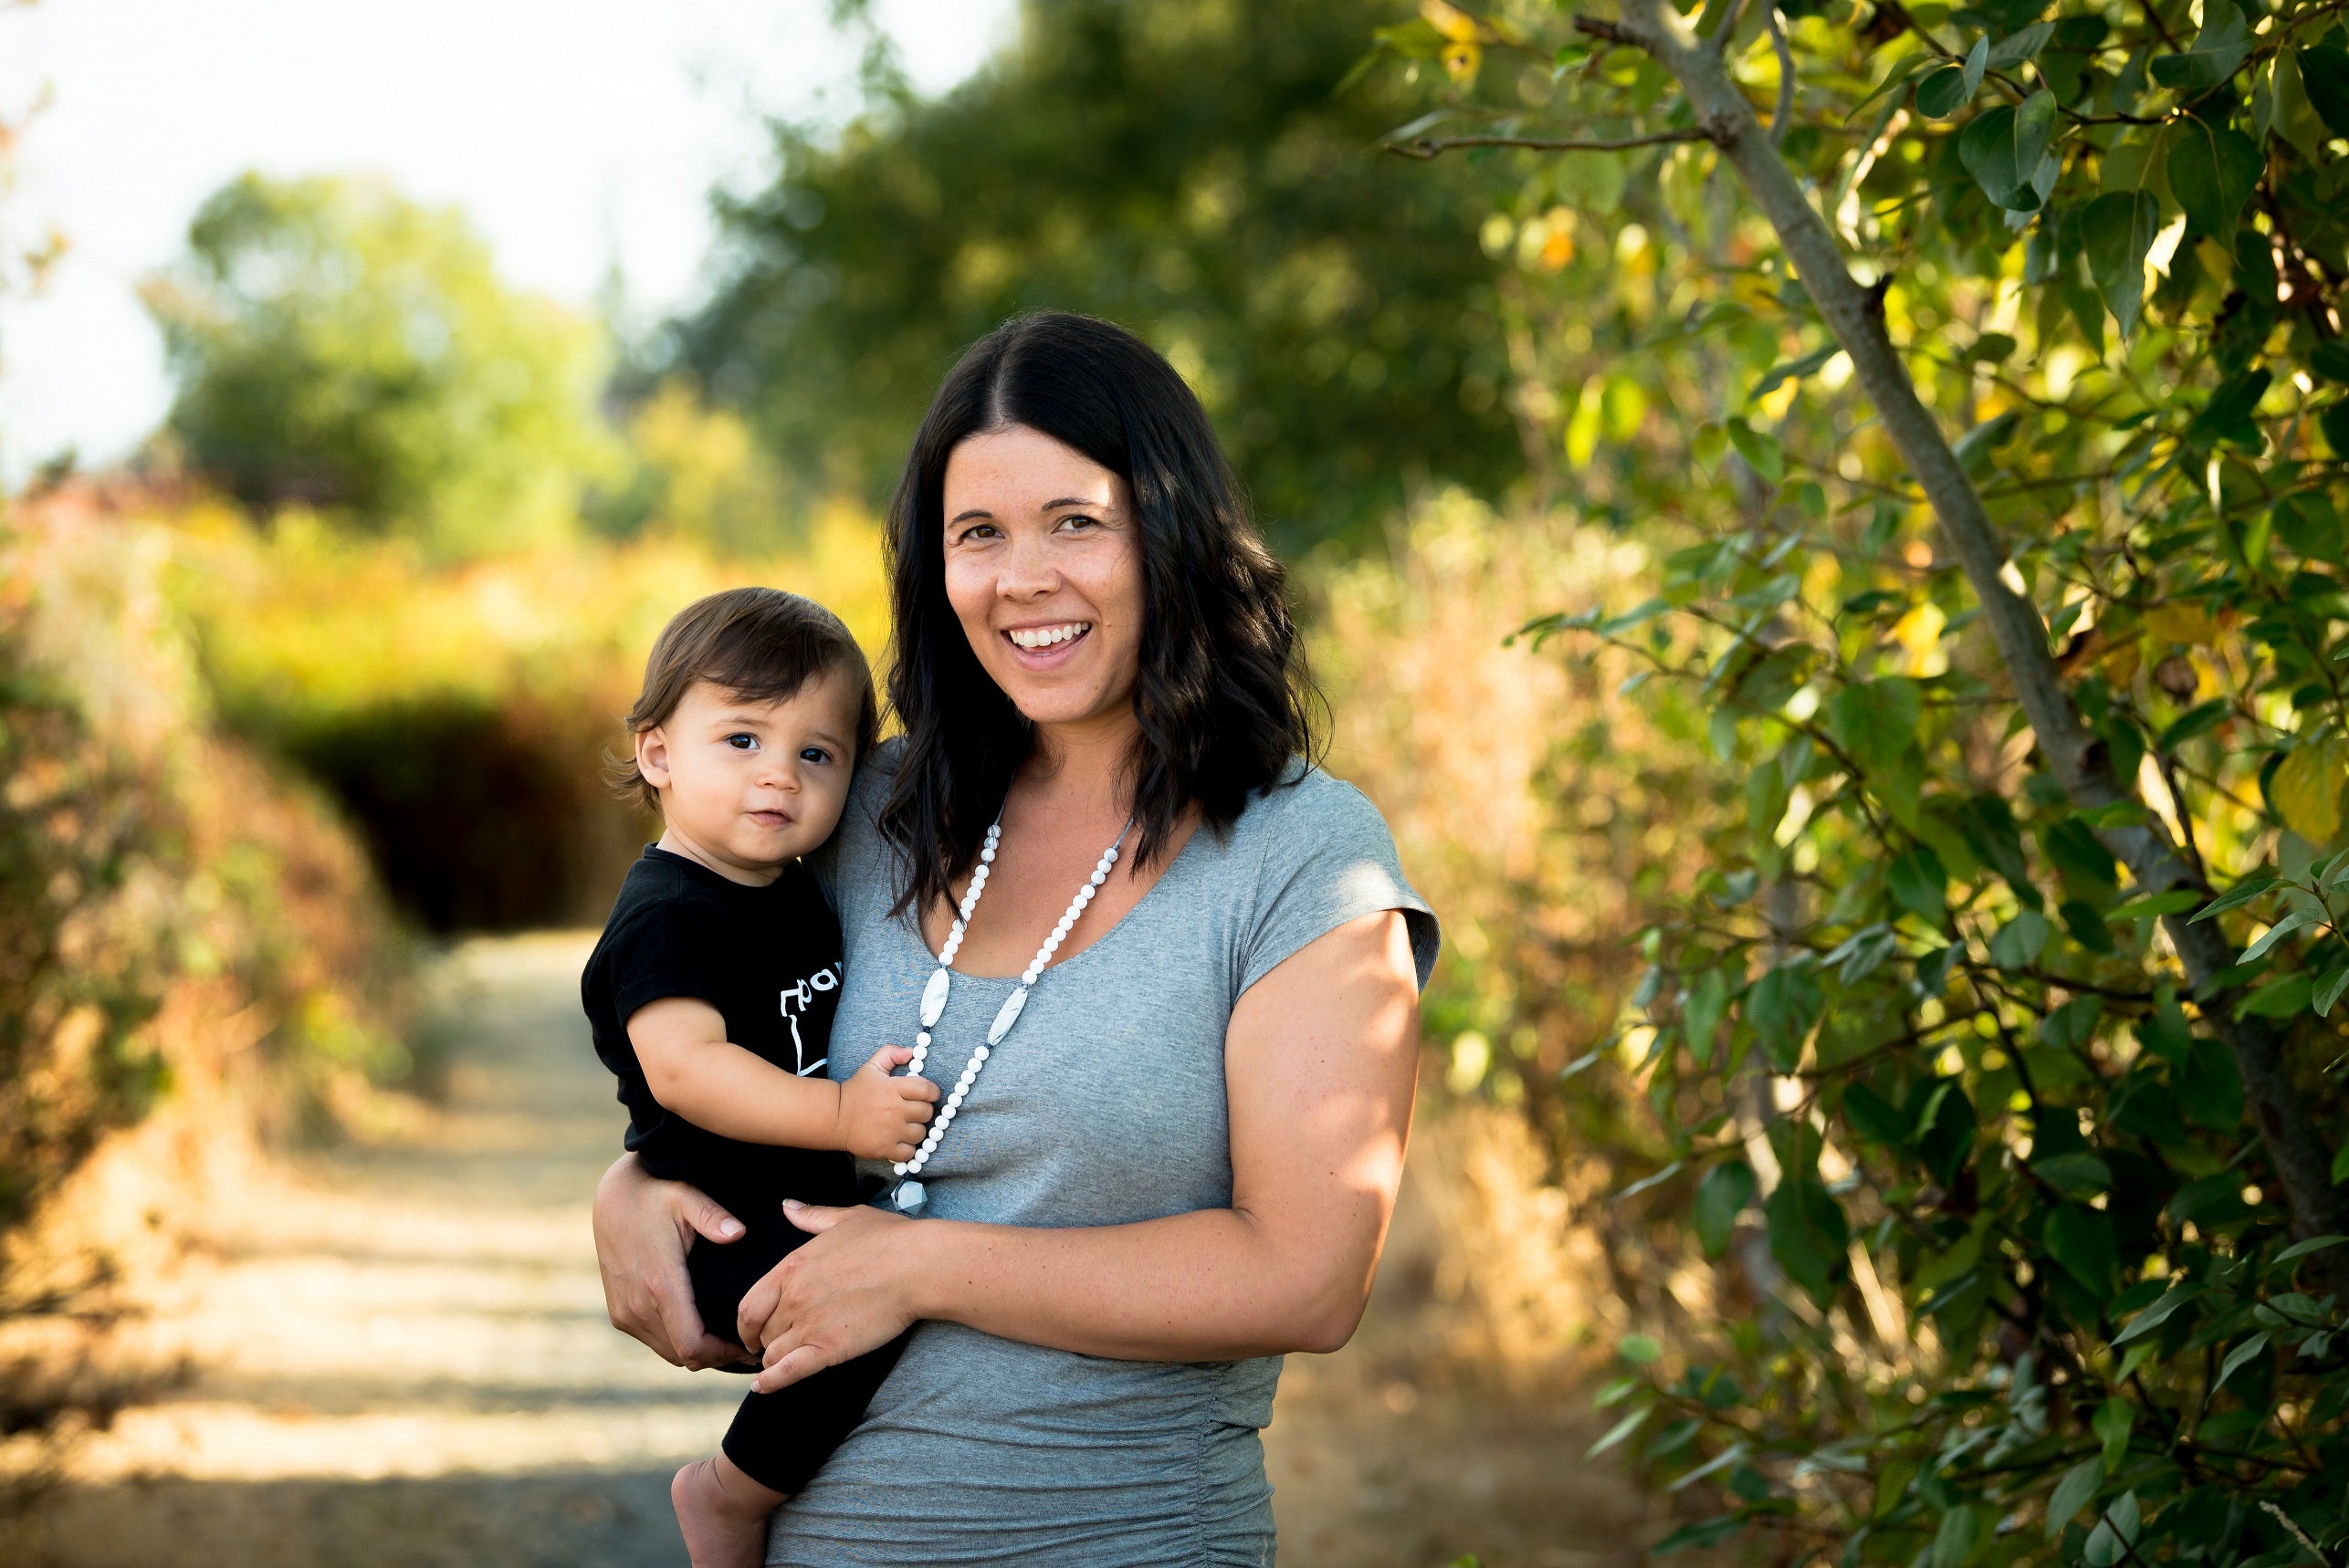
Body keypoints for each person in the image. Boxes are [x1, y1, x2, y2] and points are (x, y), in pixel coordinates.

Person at [592, 311, 1439, 1565]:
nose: (1021, 578)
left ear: (1172, 529)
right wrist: (629, 1182)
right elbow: (678, 963)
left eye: (1075, 522)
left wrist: (922, 1266)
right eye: (976, 534)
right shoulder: (861, 808)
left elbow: (1307, 1278)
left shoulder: (1302, 854)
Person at [579, 587, 937, 1567]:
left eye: (815, 754)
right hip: (727, 1213)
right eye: (741, 740)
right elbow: (686, 1069)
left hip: (788, 1194)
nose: (778, 776)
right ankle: (728, 1492)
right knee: (854, 1322)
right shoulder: (668, 913)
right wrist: (839, 1112)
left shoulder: (787, 889)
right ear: (658, 752)